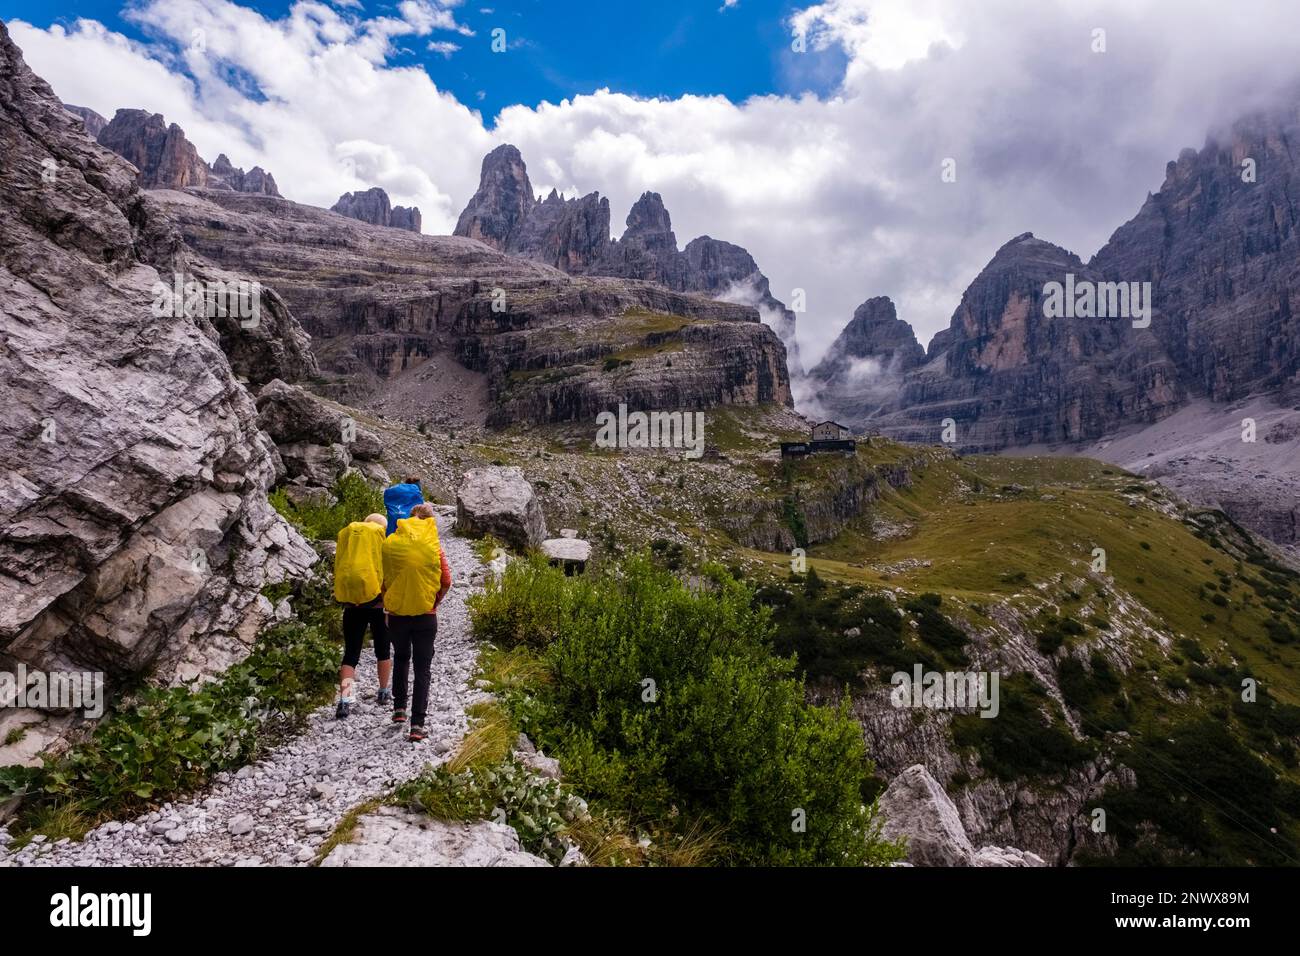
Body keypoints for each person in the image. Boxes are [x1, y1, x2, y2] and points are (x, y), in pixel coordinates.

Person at [381, 502, 451, 742]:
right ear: (430, 522)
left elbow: (384, 580)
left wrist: (390, 601)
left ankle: (399, 709)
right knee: (423, 669)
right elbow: (446, 580)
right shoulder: (433, 548)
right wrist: (433, 602)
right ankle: (417, 725)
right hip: (426, 616)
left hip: (397, 616)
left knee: (401, 658)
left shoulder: (391, 544)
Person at [332, 513, 392, 719]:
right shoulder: (380, 541)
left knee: (351, 653)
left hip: (351, 604)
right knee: (383, 650)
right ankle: (383, 692)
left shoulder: (349, 540)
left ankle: (345, 700)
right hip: (377, 604)